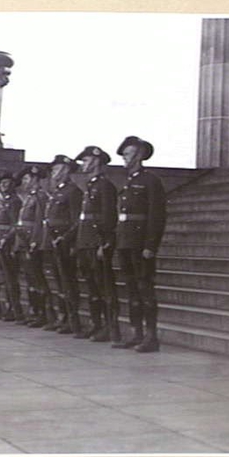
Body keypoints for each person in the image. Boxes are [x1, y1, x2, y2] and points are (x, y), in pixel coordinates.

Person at [113, 136, 166, 352]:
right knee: (132, 289)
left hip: (140, 243)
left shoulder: (150, 181)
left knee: (145, 289)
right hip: (126, 242)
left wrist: (150, 246)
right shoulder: (128, 181)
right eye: (124, 154)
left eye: (128, 154)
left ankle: (151, 337)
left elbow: (157, 215)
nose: (125, 158)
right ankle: (137, 333)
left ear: (140, 155)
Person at [74, 146, 119, 343]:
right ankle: (97, 324)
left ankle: (111, 328)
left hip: (97, 242)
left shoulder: (105, 186)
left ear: (95, 161)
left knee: (104, 286)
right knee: (92, 287)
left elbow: (109, 217)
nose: (84, 164)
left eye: (86, 161)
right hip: (86, 241)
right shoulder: (91, 186)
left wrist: (105, 242)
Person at [41, 155, 84, 337]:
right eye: (53, 170)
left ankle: (73, 320)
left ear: (66, 171)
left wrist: (66, 239)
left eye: (56, 169)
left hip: (65, 244)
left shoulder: (73, 192)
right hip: (53, 242)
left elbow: (76, 222)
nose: (53, 173)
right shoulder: (57, 192)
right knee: (59, 281)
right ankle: (63, 317)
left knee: (68, 282)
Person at [12, 165, 53, 328]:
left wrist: (35, 242)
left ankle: (44, 314)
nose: (24, 182)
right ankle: (35, 312)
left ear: (35, 179)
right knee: (30, 279)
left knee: (37, 278)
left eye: (27, 179)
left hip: (32, 243)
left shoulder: (41, 196)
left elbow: (39, 222)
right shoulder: (29, 197)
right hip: (24, 242)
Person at [0, 172, 23, 322]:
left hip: (8, 243)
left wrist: (5, 239)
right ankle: (8, 306)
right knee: (4, 276)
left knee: (10, 276)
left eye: (8, 183)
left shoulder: (15, 202)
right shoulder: (3, 201)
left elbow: (15, 224)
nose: (4, 185)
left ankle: (15, 308)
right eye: (2, 183)